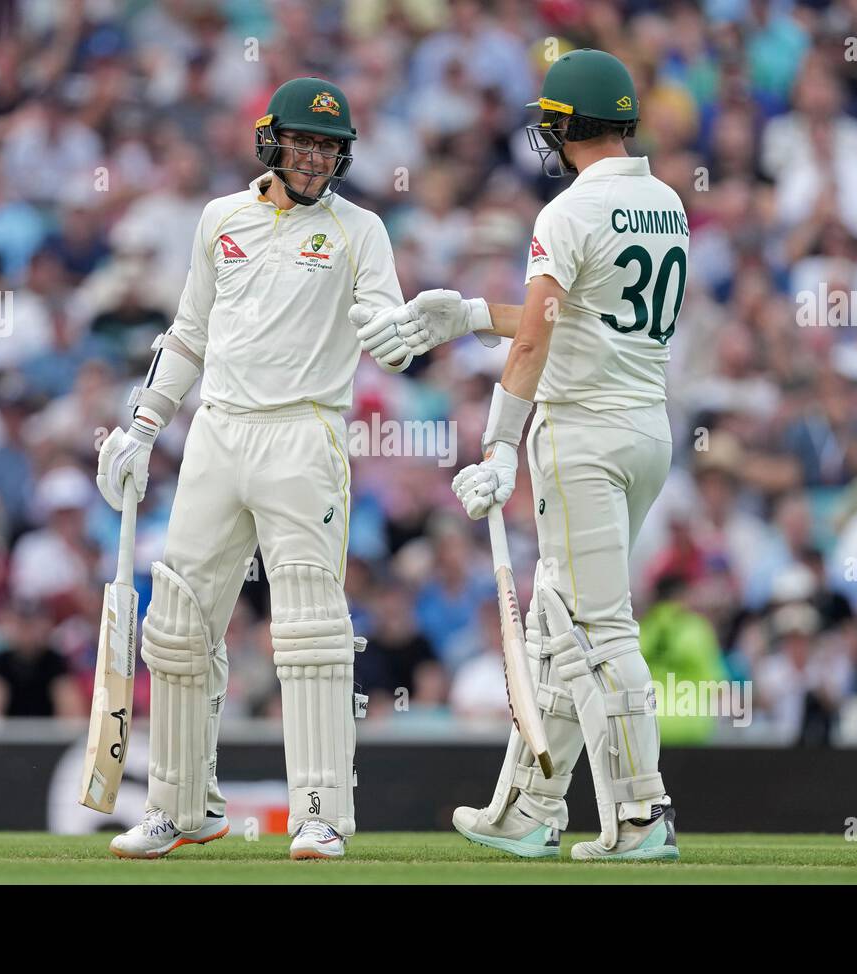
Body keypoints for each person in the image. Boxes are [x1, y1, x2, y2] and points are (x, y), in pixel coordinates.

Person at [359, 50, 686, 860]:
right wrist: (471, 312)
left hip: (583, 435)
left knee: (595, 627)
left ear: (567, 127)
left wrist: (499, 444)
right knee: (554, 628)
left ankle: (642, 817)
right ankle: (530, 809)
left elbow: (541, 334)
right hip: (647, 430)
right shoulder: (666, 201)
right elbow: (584, 318)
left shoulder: (568, 211)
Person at [95, 78, 406, 861]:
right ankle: (179, 807)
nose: (315, 158)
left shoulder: (359, 228)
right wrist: (141, 427)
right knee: (176, 625)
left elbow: (386, 327)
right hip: (216, 433)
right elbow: (188, 332)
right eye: (303, 143)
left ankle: (320, 814)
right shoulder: (219, 220)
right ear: (270, 142)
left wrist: (408, 329)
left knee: (308, 630)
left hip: (304, 433)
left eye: (328, 147)